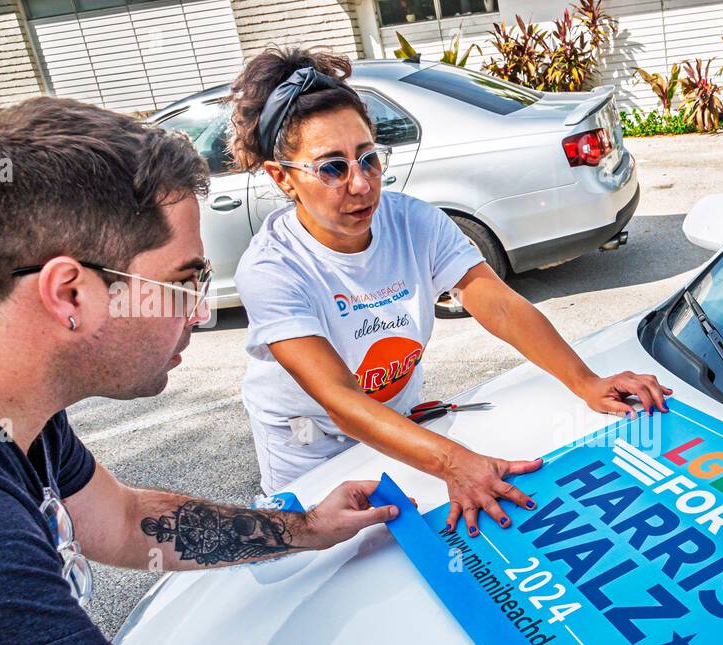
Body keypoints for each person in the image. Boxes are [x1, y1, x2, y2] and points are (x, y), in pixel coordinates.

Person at [0, 97, 615, 645]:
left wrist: (301, 528)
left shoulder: (13, 410)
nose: (201, 317)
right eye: (185, 281)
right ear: (70, 293)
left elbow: (123, 521)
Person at [230, 48, 671, 535]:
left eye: (369, 159)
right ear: (282, 178)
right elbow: (339, 399)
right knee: (333, 560)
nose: (360, 184)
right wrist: (455, 463)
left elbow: (499, 305)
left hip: (398, 429)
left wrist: (585, 382)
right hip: (311, 450)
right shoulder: (272, 268)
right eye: (331, 168)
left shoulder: (414, 221)